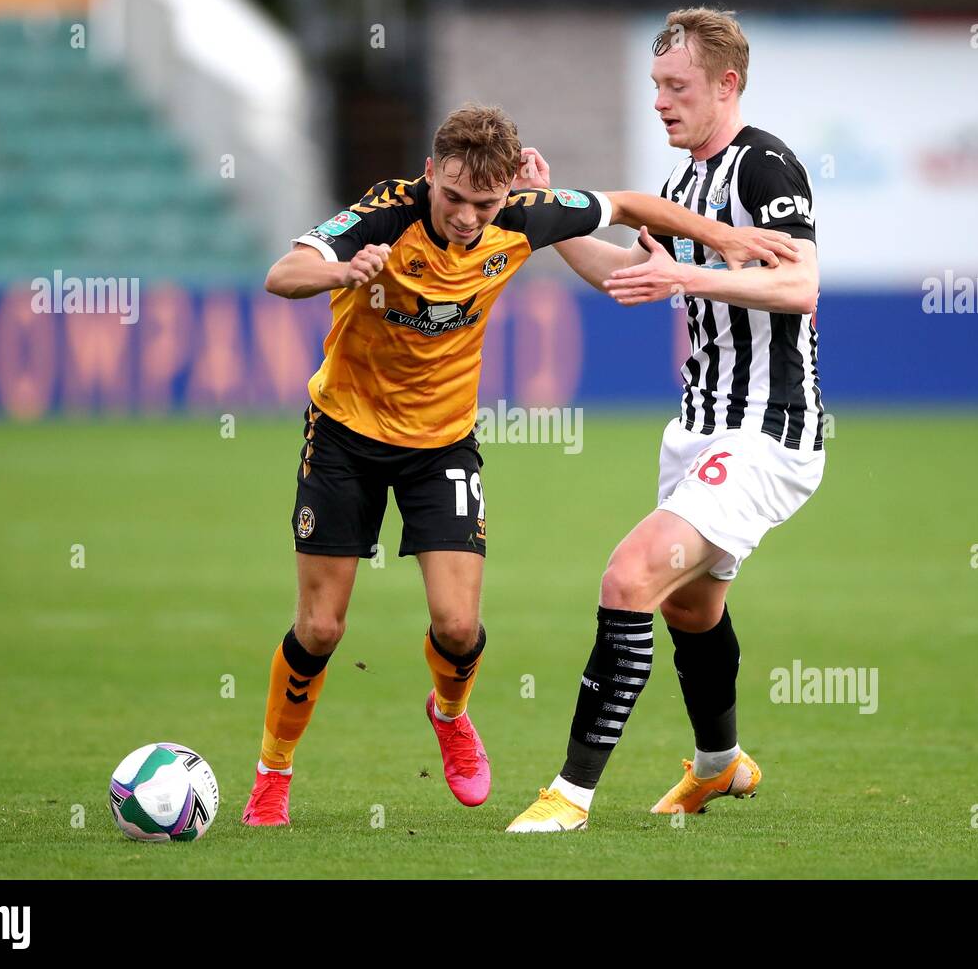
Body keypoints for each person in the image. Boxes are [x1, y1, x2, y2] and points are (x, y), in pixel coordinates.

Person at [242, 102, 800, 826]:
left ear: (507, 193)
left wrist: (723, 236)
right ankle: (272, 774)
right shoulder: (383, 215)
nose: (468, 218)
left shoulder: (525, 214)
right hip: (344, 435)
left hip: (440, 443)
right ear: (428, 174)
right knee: (320, 628)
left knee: (458, 627)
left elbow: (627, 203)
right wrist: (342, 271)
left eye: (485, 202)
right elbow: (281, 275)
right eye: (453, 198)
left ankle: (449, 713)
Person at [507, 7, 823, 833]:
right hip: (697, 429)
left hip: (766, 428)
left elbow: (798, 286)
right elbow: (628, 275)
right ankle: (721, 766)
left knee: (629, 576)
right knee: (691, 609)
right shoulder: (686, 187)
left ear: (727, 84)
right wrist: (547, 220)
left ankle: (568, 796)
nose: (659, 101)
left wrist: (691, 281)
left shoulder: (765, 165)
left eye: (676, 85)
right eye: (654, 86)